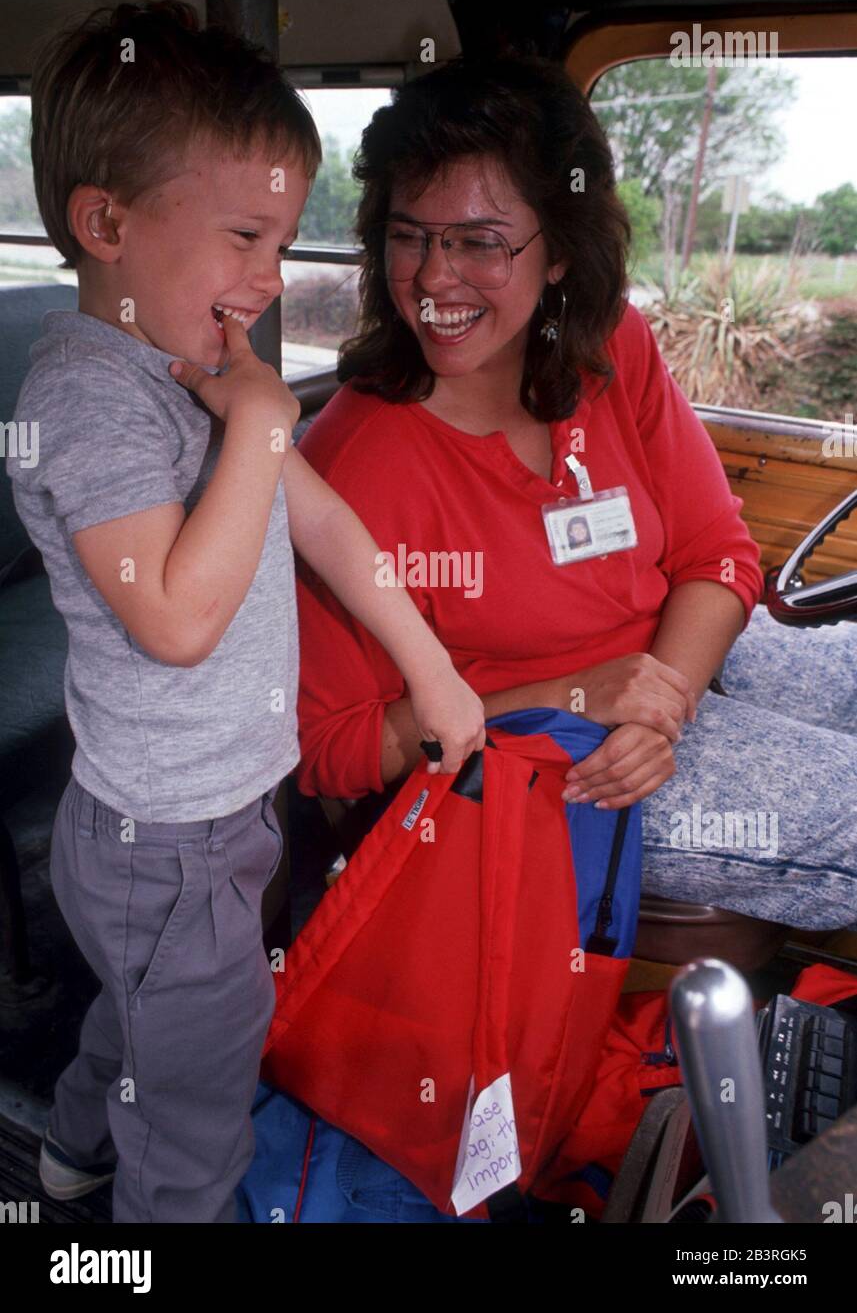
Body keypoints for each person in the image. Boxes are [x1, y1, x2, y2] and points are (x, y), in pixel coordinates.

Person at [6, 2, 483, 1223]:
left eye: (282, 242)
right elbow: (173, 617)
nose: (269, 280)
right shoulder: (88, 399)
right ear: (106, 224)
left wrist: (427, 665)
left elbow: (320, 523)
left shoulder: (203, 378)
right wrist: (263, 424)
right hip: (168, 843)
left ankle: (66, 1158)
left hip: (191, 822)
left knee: (136, 1019)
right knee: (194, 1113)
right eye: (243, 236)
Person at [294, 55, 857, 933]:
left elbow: (716, 553)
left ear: (557, 251)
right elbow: (329, 752)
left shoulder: (608, 350)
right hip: (545, 760)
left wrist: (660, 699)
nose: (435, 279)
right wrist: (579, 694)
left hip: (679, 670)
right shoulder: (351, 466)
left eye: (479, 241)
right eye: (410, 237)